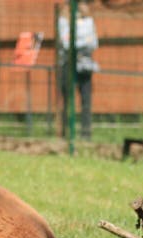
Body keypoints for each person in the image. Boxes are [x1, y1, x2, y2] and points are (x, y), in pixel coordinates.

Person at [58, 1, 99, 140]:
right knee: (68, 100)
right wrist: (84, 40)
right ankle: (66, 134)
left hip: (85, 66)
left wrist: (76, 41)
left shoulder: (89, 21)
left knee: (86, 102)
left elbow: (93, 43)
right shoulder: (63, 20)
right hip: (67, 65)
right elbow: (65, 44)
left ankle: (86, 134)